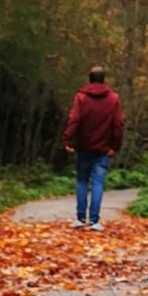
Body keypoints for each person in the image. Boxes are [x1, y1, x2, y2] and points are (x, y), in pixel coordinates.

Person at [63, 64, 123, 228]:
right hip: (103, 149)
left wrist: (68, 140)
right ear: (104, 80)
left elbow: (74, 120)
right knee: (98, 182)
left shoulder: (81, 98)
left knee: (82, 181)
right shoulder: (113, 99)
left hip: (83, 147)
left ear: (89, 79)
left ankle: (80, 218)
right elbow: (118, 124)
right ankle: (95, 220)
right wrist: (115, 146)